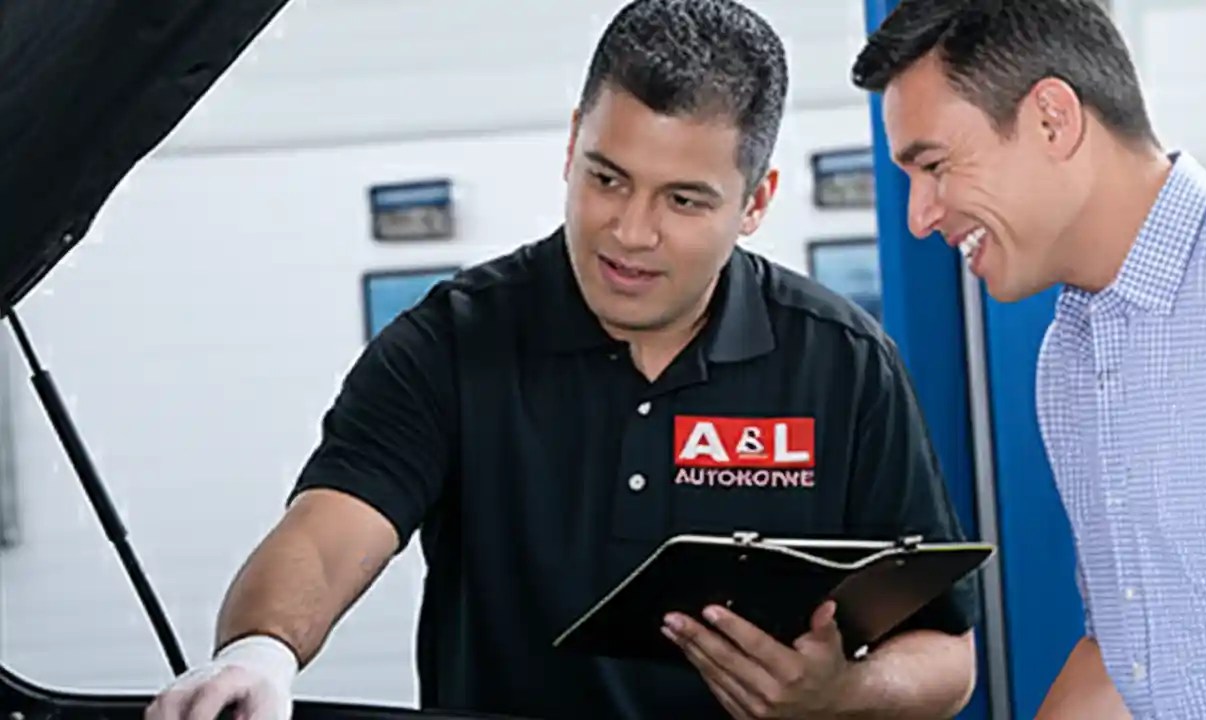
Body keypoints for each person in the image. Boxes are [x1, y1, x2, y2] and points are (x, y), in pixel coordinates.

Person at [146, 1, 982, 718]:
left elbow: (946, 655)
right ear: (574, 142)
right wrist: (261, 652)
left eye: (683, 199)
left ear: (755, 201)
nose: (631, 232)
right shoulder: (451, 344)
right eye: (607, 179)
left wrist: (840, 695)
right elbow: (328, 536)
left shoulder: (843, 365)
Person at [852, 0, 1206, 718]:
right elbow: (1129, 657)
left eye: (935, 166)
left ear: (1053, 119)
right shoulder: (1070, 355)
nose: (920, 217)